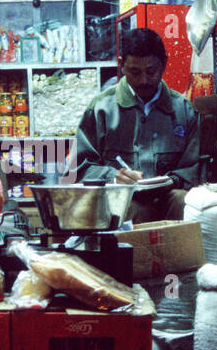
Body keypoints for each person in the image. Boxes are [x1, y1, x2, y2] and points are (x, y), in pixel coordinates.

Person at [67, 27, 201, 223]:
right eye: (134, 72)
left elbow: (194, 169)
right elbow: (77, 169)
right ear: (121, 65)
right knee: (131, 208)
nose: (143, 80)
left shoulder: (183, 110)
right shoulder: (101, 109)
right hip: (120, 202)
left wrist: (173, 180)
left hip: (168, 201)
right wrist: (113, 177)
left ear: (164, 64)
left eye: (151, 72)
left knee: (184, 201)